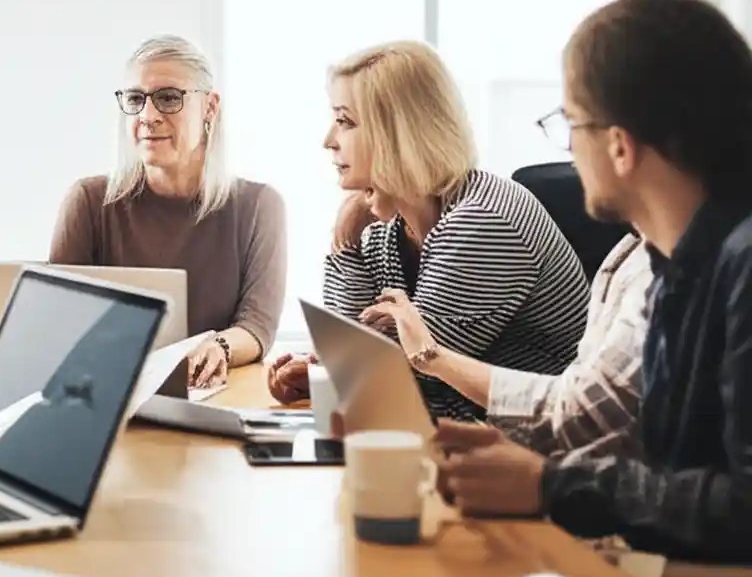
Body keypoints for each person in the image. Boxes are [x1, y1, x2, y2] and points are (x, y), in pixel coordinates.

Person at [435, 0, 752, 564]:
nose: (569, 149)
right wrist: (529, 466)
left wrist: (550, 486)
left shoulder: (742, 269)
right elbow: (674, 474)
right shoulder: (671, 266)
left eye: (570, 122)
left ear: (620, 146)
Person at [268, 41, 588, 421]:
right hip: (462, 433)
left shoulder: (483, 219)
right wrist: (346, 244)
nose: (329, 140)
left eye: (346, 121)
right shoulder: (385, 225)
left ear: (400, 133)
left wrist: (337, 376)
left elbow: (414, 378)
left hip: (540, 447)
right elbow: (357, 358)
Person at [50, 34, 287, 388]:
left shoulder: (259, 206)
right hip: (111, 397)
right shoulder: (88, 202)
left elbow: (257, 326)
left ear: (210, 107)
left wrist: (219, 346)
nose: (148, 116)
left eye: (168, 98)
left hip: (215, 396)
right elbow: (58, 323)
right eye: (135, 99)